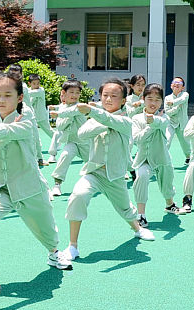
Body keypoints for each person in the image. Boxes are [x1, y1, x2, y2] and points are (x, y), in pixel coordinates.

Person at [0, 71, 71, 273]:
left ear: (20, 98)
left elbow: (14, 131)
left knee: (46, 230)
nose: (1, 100)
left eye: (8, 95)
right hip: (2, 191)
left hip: (30, 187)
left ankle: (53, 253)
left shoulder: (26, 120)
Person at [58, 79, 157, 263]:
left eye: (114, 96)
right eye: (105, 95)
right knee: (78, 196)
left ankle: (137, 229)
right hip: (93, 172)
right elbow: (82, 134)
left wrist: (95, 113)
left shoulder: (127, 120)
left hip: (115, 176)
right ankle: (73, 246)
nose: (109, 99)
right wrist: (101, 120)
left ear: (123, 100)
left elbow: (115, 122)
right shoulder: (96, 118)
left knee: (125, 208)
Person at [131, 84, 178, 225]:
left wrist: (154, 121)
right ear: (143, 99)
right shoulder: (137, 119)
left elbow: (163, 125)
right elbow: (137, 139)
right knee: (142, 176)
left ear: (162, 102)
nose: (153, 103)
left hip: (162, 157)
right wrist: (150, 126)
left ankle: (170, 204)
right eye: (150, 99)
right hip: (144, 159)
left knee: (166, 185)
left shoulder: (165, 117)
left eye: (157, 100)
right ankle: (141, 215)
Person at [49, 79, 91, 198]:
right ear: (64, 93)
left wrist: (60, 115)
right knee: (65, 156)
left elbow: (74, 111)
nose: (75, 95)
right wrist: (65, 117)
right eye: (71, 92)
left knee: (96, 163)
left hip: (85, 142)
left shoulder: (80, 106)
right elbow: (60, 126)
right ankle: (57, 184)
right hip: (71, 141)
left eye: (77, 93)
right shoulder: (62, 107)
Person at [23, 72, 54, 160]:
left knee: (49, 131)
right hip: (33, 116)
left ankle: (56, 143)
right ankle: (38, 147)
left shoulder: (41, 90)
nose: (36, 85)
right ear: (29, 83)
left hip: (41, 115)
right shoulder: (27, 90)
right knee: (34, 133)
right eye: (34, 83)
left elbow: (29, 94)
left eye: (38, 83)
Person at [164, 76, 191, 164]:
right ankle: (163, 158)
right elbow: (168, 112)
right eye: (174, 82)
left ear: (183, 87)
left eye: (179, 83)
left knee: (185, 142)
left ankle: (189, 157)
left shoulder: (185, 94)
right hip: (170, 122)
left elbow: (182, 100)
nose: (176, 84)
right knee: (167, 140)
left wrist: (173, 103)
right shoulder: (167, 98)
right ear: (171, 85)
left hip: (182, 123)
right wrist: (176, 108)